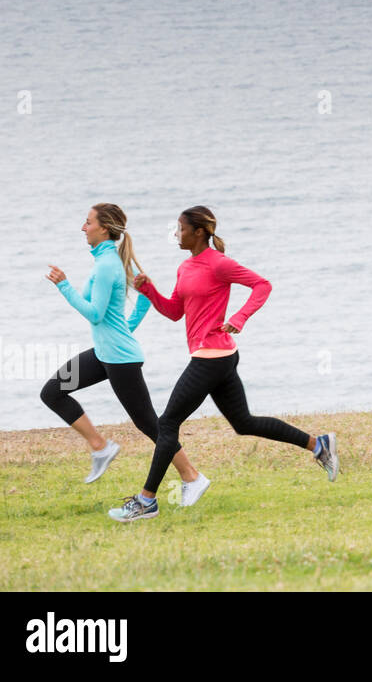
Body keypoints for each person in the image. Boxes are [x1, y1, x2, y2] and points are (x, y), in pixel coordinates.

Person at [108, 205, 337, 522]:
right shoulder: (186, 268)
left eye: (181, 228)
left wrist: (240, 318)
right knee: (244, 422)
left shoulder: (219, 264)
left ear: (199, 231)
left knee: (167, 425)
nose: (177, 234)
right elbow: (175, 311)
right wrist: (149, 290)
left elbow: (262, 285)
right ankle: (318, 445)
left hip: (212, 357)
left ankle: (147, 501)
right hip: (217, 357)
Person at [42, 203, 209, 505]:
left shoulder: (107, 265)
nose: (83, 228)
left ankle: (192, 476)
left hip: (119, 358)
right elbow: (144, 299)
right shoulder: (112, 260)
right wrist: (124, 330)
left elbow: (95, 314)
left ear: (103, 228)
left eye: (87, 222)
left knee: (148, 423)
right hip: (107, 353)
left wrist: (64, 286)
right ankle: (100, 446)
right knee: (53, 391)